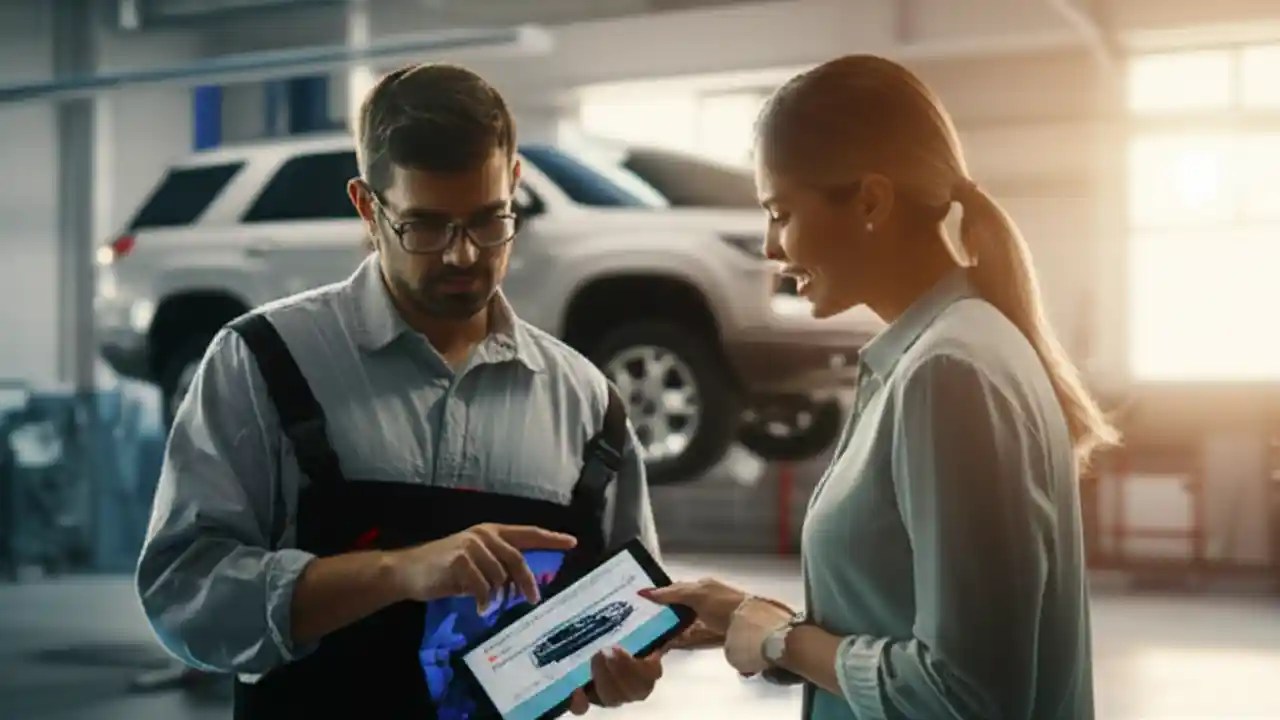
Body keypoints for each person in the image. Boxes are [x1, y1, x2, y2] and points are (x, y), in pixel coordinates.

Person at [136, 63, 667, 719]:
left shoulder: (587, 406)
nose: (462, 255)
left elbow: (630, 610)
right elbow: (184, 596)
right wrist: (401, 572)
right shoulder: (264, 364)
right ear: (367, 206)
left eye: (487, 220)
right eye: (426, 226)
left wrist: (624, 667)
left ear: (515, 186)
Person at [643, 54, 1120, 720]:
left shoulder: (948, 373)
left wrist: (778, 638)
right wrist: (755, 621)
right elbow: (908, 623)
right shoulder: (951, 352)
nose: (771, 248)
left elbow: (967, 695)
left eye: (780, 212)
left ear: (870, 200)